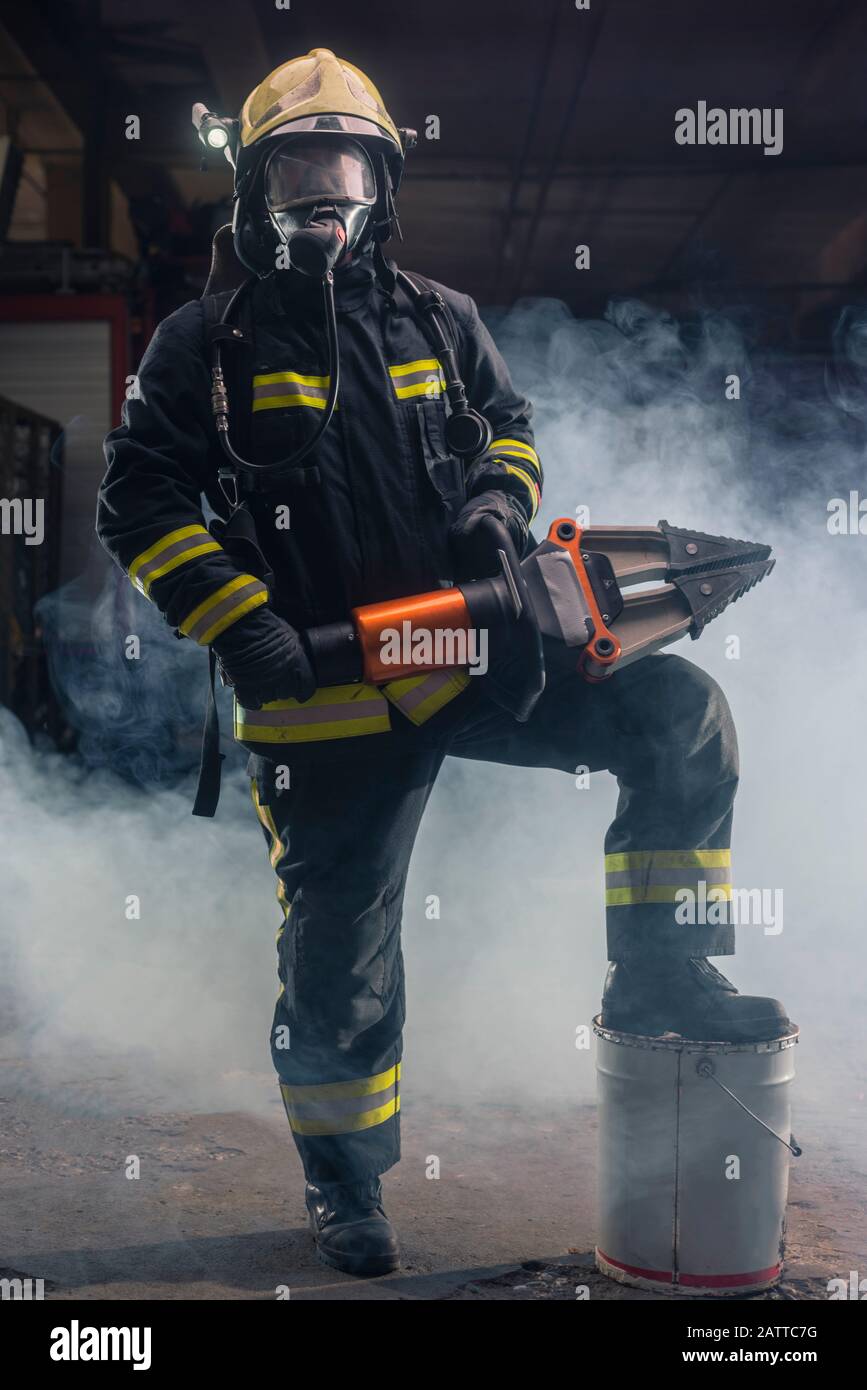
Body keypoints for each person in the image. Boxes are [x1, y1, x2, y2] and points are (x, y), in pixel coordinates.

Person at [97, 48, 788, 1278]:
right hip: (323, 693)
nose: (328, 193)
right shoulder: (205, 346)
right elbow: (139, 500)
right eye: (301, 167)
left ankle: (664, 970)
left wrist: (494, 516)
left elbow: (507, 436)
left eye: (348, 164)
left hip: (466, 643)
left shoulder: (439, 316)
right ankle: (344, 1182)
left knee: (680, 712)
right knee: (339, 950)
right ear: (258, 188)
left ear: (382, 180)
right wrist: (243, 623)